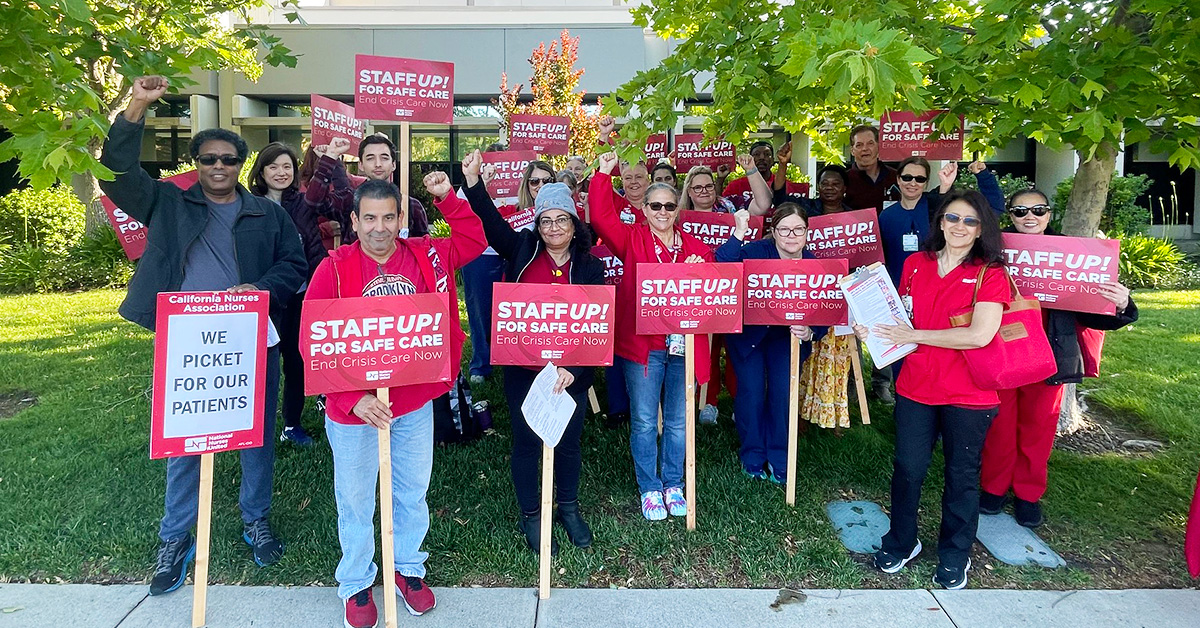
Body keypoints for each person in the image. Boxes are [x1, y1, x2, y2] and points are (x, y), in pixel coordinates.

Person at [99, 76, 306, 596]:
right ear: (196, 163)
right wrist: (136, 107)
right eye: (209, 159)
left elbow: (294, 265)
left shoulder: (269, 213)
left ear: (240, 165)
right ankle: (175, 536)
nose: (219, 167)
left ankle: (256, 519)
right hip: (188, 340)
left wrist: (259, 289)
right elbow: (117, 174)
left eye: (228, 160)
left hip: (252, 337)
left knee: (257, 434)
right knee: (185, 439)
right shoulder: (168, 202)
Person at [306, 174, 485, 626]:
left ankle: (407, 568)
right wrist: (352, 398)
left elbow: (474, 240)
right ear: (354, 221)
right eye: (369, 218)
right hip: (356, 411)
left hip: (411, 402)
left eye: (388, 217)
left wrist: (447, 197)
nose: (379, 228)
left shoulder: (427, 254)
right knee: (355, 498)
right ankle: (356, 581)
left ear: (401, 218)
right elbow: (314, 339)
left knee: (410, 491)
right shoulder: (334, 268)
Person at [853, 189, 1009, 590]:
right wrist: (872, 330)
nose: (960, 226)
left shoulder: (991, 273)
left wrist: (914, 335)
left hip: (969, 393)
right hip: (916, 387)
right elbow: (901, 317)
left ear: (981, 230)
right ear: (940, 222)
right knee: (907, 469)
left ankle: (956, 554)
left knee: (961, 476)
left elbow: (978, 335)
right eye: (952, 218)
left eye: (970, 221)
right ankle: (902, 542)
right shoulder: (915, 264)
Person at [461, 149, 604, 554]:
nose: (554, 227)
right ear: (537, 224)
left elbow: (597, 325)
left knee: (568, 441)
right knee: (526, 441)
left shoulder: (590, 267)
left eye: (561, 219)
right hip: (524, 368)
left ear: (574, 224)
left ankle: (569, 507)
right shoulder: (521, 249)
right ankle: (531, 514)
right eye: (546, 220)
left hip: (570, 372)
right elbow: (490, 223)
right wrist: (473, 182)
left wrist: (574, 368)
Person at [979, 189, 1138, 528]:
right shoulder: (993, 251)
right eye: (1020, 211)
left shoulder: (1070, 253)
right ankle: (993, 489)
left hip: (1049, 358)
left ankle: (1028, 495)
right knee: (999, 428)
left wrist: (1122, 304)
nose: (1029, 217)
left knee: (1038, 430)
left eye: (1038, 210)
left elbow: (1092, 312)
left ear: (1049, 214)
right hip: (1003, 353)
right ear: (1010, 215)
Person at [589, 151, 713, 521]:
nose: (662, 211)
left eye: (669, 206)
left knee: (677, 420)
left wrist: (702, 268)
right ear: (644, 209)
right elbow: (601, 217)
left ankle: (673, 483)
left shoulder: (694, 247)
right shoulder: (632, 240)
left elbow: (714, 288)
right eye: (655, 205)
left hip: (683, 346)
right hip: (643, 347)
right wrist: (604, 172)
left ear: (678, 209)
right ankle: (649, 487)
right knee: (644, 420)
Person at [872, 157, 1004, 403]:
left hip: (942, 290)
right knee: (904, 358)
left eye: (919, 178)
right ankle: (904, 400)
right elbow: (876, 255)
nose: (913, 183)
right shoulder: (886, 216)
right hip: (901, 296)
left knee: (940, 353)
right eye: (907, 177)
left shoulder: (936, 206)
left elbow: (992, 210)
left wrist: (980, 176)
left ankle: (945, 403)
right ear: (898, 179)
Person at [715, 204, 825, 481]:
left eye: (798, 229)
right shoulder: (755, 252)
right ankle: (753, 455)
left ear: (807, 232)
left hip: (787, 338)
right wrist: (739, 233)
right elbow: (722, 264)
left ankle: (779, 457)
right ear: (773, 232)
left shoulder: (815, 264)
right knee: (751, 394)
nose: (791, 236)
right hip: (750, 335)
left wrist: (811, 331)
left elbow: (826, 306)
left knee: (782, 394)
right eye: (784, 230)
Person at [247, 142, 329, 448]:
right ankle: (252, 425)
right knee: (260, 365)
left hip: (299, 295)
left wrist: (330, 157)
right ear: (261, 171)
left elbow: (322, 200)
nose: (281, 173)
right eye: (273, 166)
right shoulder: (249, 206)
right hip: (262, 298)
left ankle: (291, 425)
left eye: (287, 167)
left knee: (296, 361)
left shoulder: (302, 204)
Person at [683, 155, 771, 424]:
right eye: (697, 187)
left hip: (734, 290)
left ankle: (738, 399)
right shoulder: (679, 217)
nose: (704, 191)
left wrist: (751, 169)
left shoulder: (732, 209)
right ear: (689, 191)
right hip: (699, 293)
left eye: (708, 185)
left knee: (737, 348)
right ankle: (707, 400)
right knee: (706, 349)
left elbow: (763, 205)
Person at [308, 133, 430, 243]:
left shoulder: (411, 206)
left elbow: (424, 247)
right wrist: (330, 158)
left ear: (393, 164)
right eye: (370, 158)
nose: (378, 164)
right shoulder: (349, 200)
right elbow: (314, 202)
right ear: (361, 165)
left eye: (384, 158)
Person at [718, 140, 809, 212]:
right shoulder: (736, 185)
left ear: (773, 160)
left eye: (767, 154)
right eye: (756, 154)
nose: (761, 158)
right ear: (750, 158)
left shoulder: (784, 185)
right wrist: (720, 180)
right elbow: (720, 205)